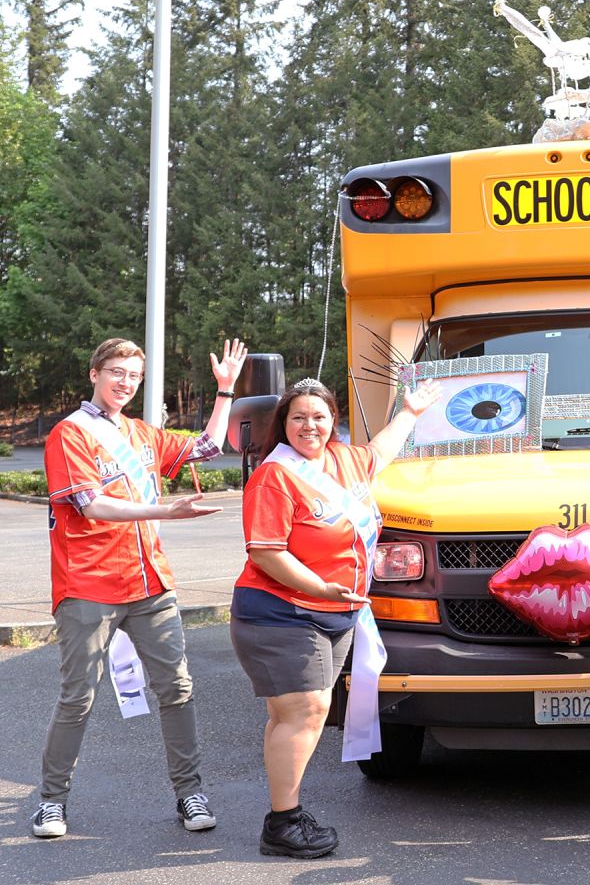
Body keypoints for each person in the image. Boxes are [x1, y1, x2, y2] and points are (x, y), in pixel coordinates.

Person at [32, 335, 248, 840]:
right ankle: (50, 802)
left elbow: (207, 447)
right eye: (117, 373)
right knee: (78, 697)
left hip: (150, 582)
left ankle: (189, 793)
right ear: (95, 374)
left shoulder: (140, 433)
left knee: (177, 689)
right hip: (88, 584)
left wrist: (224, 391)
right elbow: (91, 505)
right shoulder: (70, 434)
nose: (125, 383)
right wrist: (165, 510)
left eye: (134, 376)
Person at [230, 375, 440, 859]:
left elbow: (380, 453)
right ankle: (283, 823)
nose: (310, 426)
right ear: (283, 423)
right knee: (306, 712)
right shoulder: (273, 476)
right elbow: (266, 553)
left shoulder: (344, 459)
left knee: (289, 714)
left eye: (319, 416)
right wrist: (319, 587)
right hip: (282, 612)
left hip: (334, 610)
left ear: (332, 421)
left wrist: (408, 412)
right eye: (298, 417)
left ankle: (285, 811)